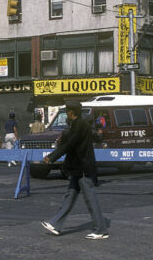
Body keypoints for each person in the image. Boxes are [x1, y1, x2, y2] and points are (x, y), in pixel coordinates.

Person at [41, 100, 108, 240]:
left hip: (83, 168)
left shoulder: (79, 126)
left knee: (90, 199)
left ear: (72, 112)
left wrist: (52, 157)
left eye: (67, 111)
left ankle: (101, 229)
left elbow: (69, 145)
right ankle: (55, 224)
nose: (66, 114)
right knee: (69, 197)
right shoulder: (78, 125)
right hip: (78, 168)